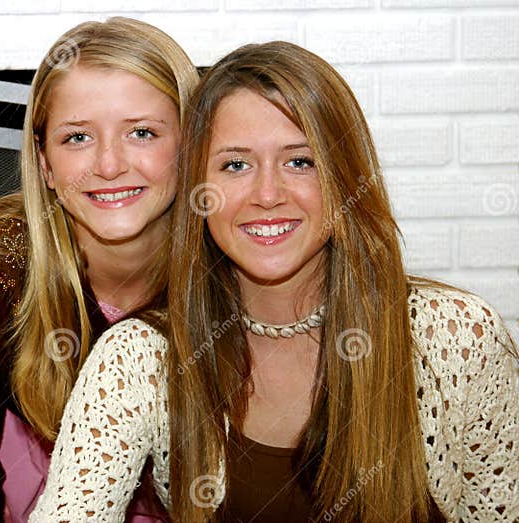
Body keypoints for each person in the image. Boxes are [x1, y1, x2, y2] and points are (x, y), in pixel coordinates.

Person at [28, 41, 519, 522]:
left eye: (299, 162)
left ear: (345, 177)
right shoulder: (138, 358)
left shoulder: (456, 338)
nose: (267, 194)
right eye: (235, 165)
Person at [0, 17, 198, 522]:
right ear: (44, 162)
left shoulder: (235, 266)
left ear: (191, 146)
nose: (110, 164)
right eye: (77, 138)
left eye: (141, 132)